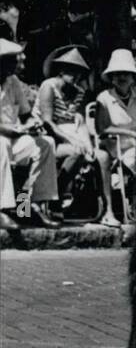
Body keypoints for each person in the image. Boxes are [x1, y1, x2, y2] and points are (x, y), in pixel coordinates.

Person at [0, 38, 60, 228]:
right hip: (4, 139)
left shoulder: (13, 81)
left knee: (46, 143)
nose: (16, 65)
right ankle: (2, 211)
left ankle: (34, 204)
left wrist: (33, 124)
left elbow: (25, 115)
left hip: (12, 138)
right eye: (11, 60)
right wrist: (14, 129)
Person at [35, 45, 103, 195]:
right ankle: (47, 199)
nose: (76, 76)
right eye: (72, 71)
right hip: (46, 138)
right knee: (25, 182)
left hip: (67, 137)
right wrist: (72, 140)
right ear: (61, 71)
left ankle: (63, 196)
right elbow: (47, 122)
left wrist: (88, 144)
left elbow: (81, 122)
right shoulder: (49, 86)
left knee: (92, 155)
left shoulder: (79, 91)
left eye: (80, 73)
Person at [94, 49, 136, 227]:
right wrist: (129, 133)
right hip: (113, 145)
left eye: (126, 74)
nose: (122, 77)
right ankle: (109, 211)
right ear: (112, 77)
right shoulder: (104, 98)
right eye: (117, 74)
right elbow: (102, 128)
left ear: (132, 77)